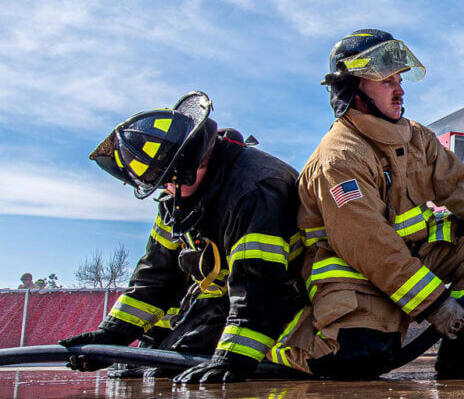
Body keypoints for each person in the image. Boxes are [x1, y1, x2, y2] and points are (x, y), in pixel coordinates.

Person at [273, 29, 464, 380]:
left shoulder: (417, 137)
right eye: (387, 80)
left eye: (399, 79)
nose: (400, 90)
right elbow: (369, 243)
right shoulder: (339, 158)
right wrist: (435, 304)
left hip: (405, 262)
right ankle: (280, 345)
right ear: (353, 87)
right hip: (354, 277)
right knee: (361, 359)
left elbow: (460, 186)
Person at [59, 92, 304, 383]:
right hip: (225, 300)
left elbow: (260, 285)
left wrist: (235, 359)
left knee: (172, 371)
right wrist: (112, 335)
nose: (166, 191)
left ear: (188, 167)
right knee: (131, 368)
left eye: (166, 182)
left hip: (284, 301)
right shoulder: (178, 200)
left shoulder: (254, 190)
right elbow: (156, 273)